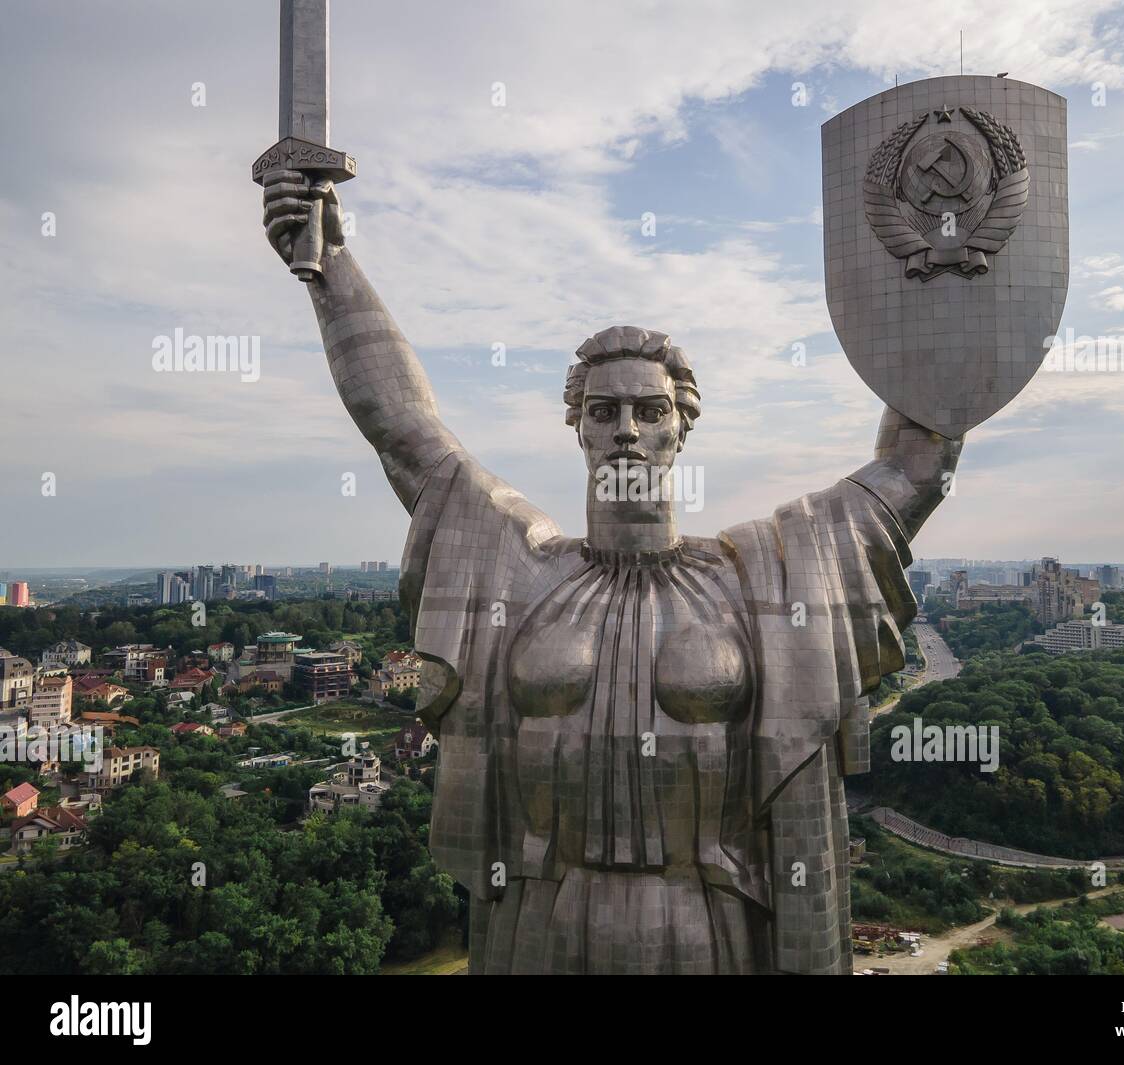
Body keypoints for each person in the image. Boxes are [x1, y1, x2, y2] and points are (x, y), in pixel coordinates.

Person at [261, 170, 963, 973]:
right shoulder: (523, 569)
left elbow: (916, 466)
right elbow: (404, 431)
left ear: (680, 430)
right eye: (603, 411)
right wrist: (331, 262)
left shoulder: (759, 575)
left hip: (708, 925)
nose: (626, 429)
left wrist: (945, 268)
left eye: (649, 411)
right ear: (580, 431)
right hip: (540, 919)